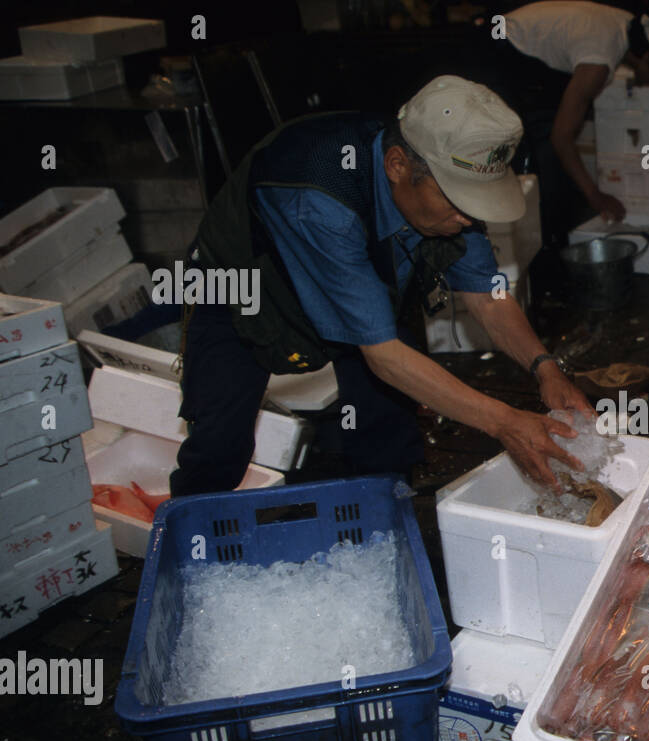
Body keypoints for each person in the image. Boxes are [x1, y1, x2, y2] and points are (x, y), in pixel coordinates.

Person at [170, 75, 594, 498]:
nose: (468, 218)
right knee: (219, 446)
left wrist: (545, 367)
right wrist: (505, 422)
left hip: (366, 275)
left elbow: (489, 294)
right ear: (397, 166)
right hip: (248, 288)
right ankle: (186, 540)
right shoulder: (318, 199)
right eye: (458, 200)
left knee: (389, 431)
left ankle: (384, 517)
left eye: (475, 200)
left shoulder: (438, 179)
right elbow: (384, 356)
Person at [466, 1, 649, 245]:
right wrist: (596, 196)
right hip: (495, 50)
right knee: (536, 154)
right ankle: (532, 247)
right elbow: (562, 137)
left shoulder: (629, 30)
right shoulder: (599, 60)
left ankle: (544, 231)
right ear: (648, 58)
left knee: (550, 147)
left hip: (523, 53)